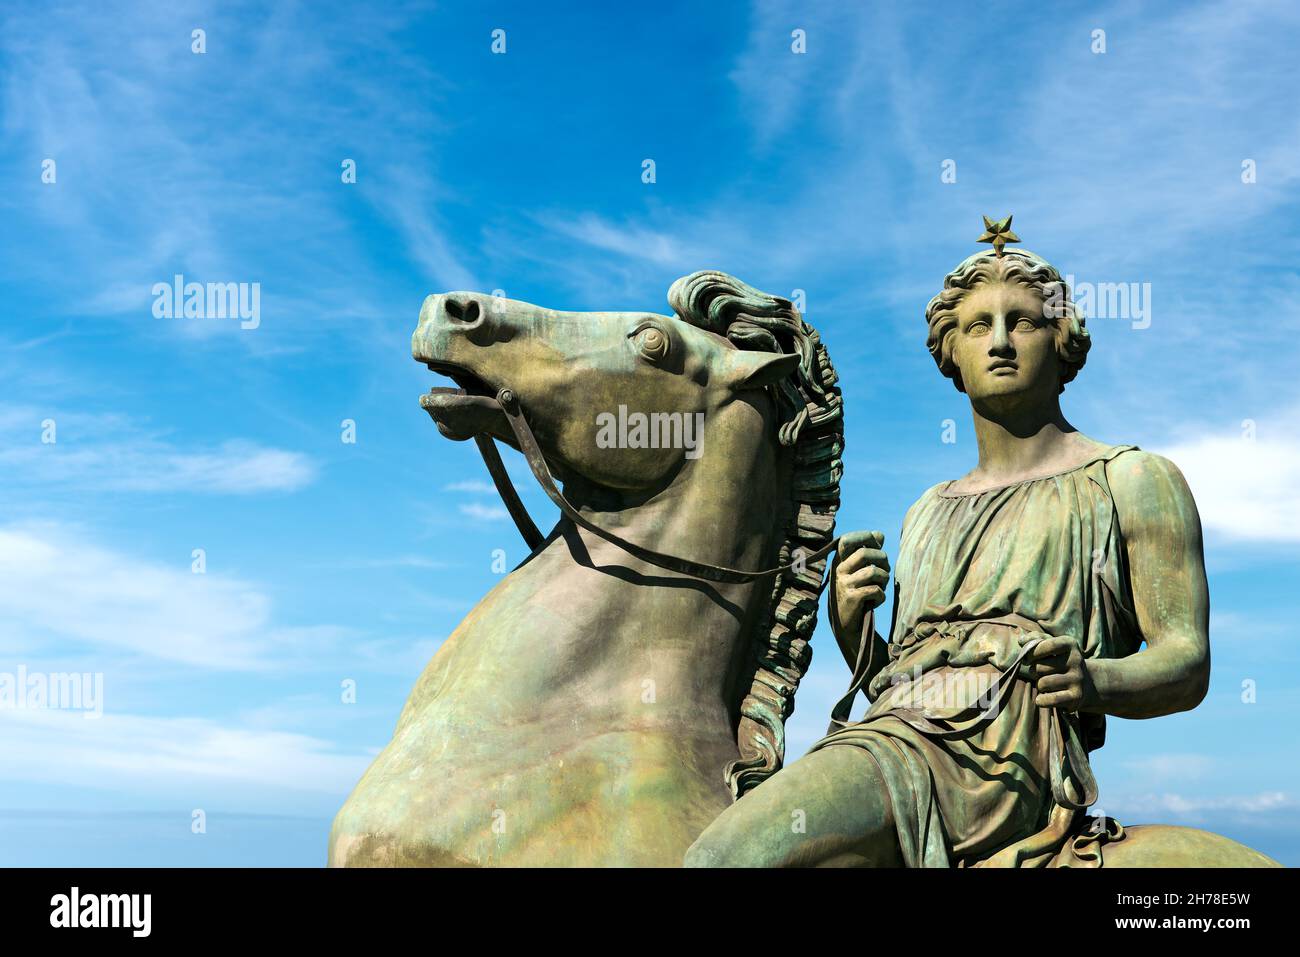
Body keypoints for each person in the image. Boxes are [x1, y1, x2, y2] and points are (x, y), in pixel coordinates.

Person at [684, 218, 1211, 867]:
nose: (1000, 341)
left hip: (1005, 758)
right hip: (898, 735)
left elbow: (1187, 662)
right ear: (950, 353)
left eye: (1022, 321)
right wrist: (853, 631)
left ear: (1062, 339)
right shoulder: (927, 511)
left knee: (725, 859)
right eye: (977, 325)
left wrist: (1093, 677)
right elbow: (903, 677)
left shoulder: (1132, 479)